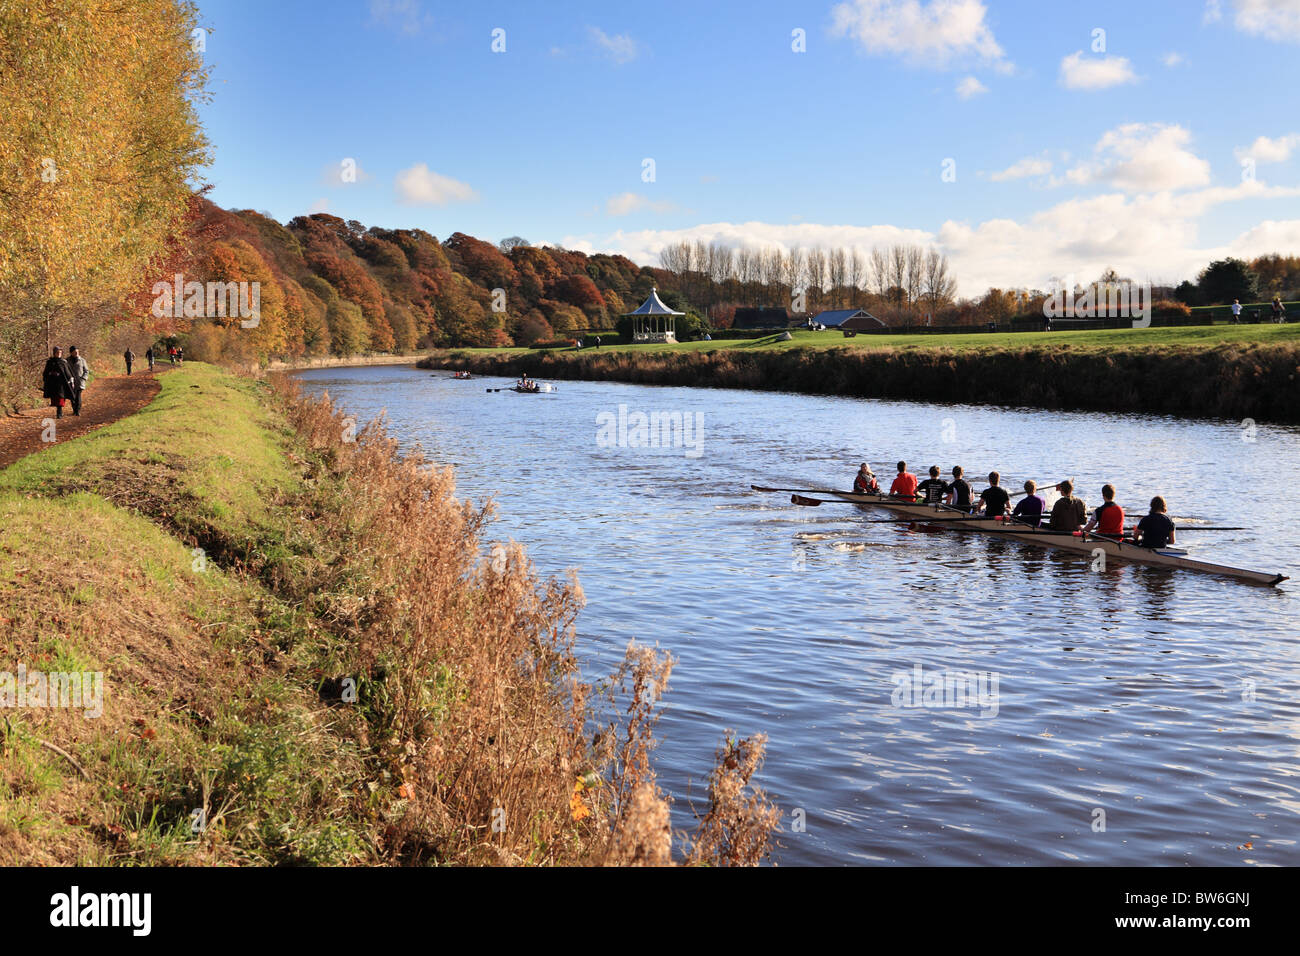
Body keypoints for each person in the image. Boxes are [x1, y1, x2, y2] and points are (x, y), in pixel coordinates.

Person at [42, 346, 75, 419]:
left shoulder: (63, 362)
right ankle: (59, 411)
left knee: (61, 398)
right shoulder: (50, 362)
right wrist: (51, 374)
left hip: (62, 383)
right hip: (53, 383)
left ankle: (59, 412)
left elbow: (67, 372)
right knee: (56, 398)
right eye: (57, 352)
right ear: (54, 353)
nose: (59, 354)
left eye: (60, 352)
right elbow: (46, 372)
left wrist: (70, 379)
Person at [66, 345, 90, 417]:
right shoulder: (67, 361)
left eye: (77, 351)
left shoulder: (82, 360)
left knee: (78, 396)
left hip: (80, 381)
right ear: (71, 352)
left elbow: (86, 371)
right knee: (72, 396)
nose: (76, 353)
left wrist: (83, 378)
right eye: (74, 351)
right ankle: (74, 409)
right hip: (71, 382)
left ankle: (77, 410)